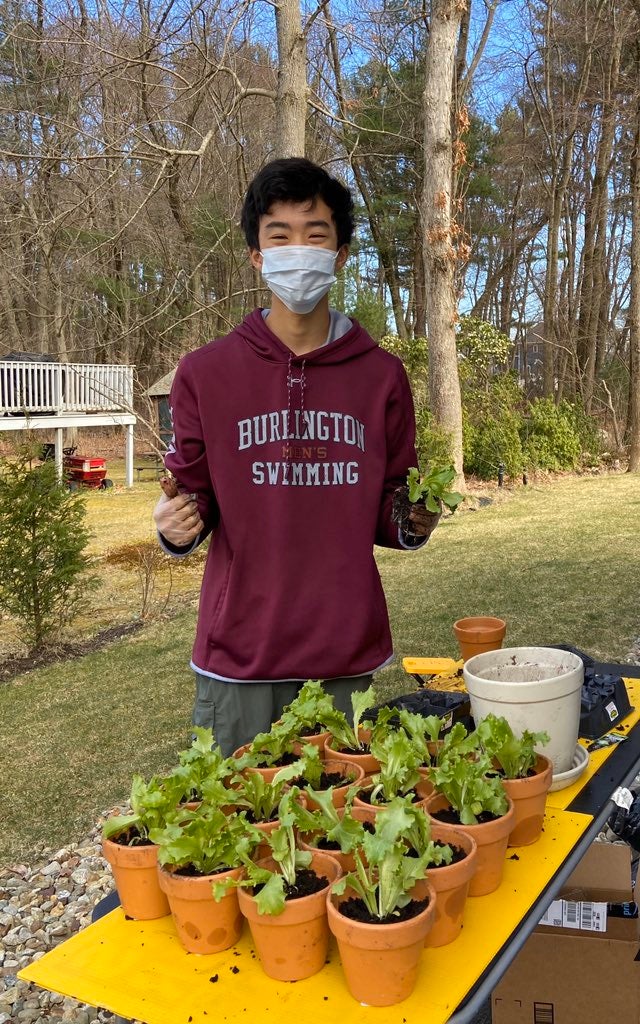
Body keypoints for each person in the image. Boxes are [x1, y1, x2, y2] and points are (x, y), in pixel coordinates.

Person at [153, 157, 439, 756]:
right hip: (240, 655)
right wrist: (175, 526)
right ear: (257, 256)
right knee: (237, 809)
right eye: (279, 235)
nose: (298, 251)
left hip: (344, 652)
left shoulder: (381, 377)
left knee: (344, 808)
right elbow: (193, 495)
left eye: (316, 234)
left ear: (340, 255)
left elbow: (392, 503)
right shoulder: (205, 373)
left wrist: (414, 519)